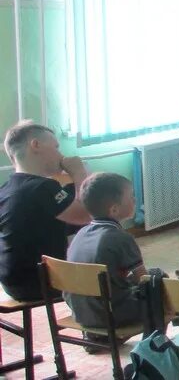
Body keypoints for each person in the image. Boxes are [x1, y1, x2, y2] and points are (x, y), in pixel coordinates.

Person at [0, 121, 92, 301]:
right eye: (56, 147)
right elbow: (88, 214)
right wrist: (79, 172)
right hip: (41, 282)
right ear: (36, 145)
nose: (60, 153)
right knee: (113, 271)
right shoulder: (42, 187)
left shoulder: (6, 188)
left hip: (12, 282)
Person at [66, 173, 145, 332]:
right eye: (131, 197)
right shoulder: (120, 237)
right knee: (158, 279)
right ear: (114, 209)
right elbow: (143, 279)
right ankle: (156, 343)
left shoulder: (80, 235)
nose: (135, 200)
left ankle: (95, 336)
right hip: (111, 313)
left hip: (81, 313)